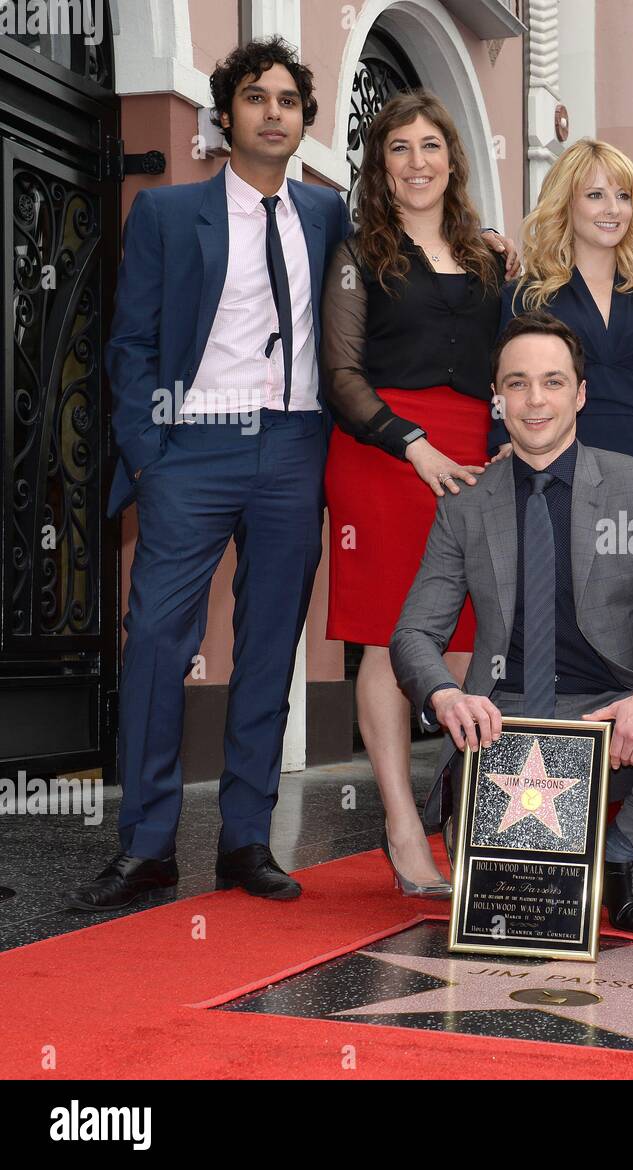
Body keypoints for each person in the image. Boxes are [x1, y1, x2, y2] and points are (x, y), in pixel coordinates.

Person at [66, 39, 354, 911]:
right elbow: (132, 344)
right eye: (255, 98)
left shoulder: (327, 218)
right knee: (157, 639)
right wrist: (152, 459)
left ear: (305, 121)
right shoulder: (166, 213)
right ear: (225, 116)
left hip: (296, 444)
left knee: (269, 647)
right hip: (191, 447)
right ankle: (148, 848)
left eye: (288, 101)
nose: (273, 112)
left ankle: (244, 843)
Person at [390, 312, 633, 936]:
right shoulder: (466, 502)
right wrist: (445, 694)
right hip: (502, 722)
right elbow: (414, 634)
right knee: (518, 920)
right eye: (517, 384)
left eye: (552, 382)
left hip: (611, 714)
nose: (535, 401)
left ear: (579, 393)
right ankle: (552, 858)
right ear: (496, 399)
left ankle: (622, 859)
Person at [322, 90, 507, 896]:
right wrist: (410, 444)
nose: (417, 162)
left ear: (452, 159)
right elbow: (341, 373)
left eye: (430, 145)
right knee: (386, 636)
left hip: (473, 453)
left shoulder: (491, 257)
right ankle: (401, 827)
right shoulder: (361, 253)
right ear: (380, 168)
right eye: (399, 149)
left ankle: (467, 819)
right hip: (382, 454)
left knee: (468, 639)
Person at [496, 139, 633, 626]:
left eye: (623, 195)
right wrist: (503, 446)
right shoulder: (525, 297)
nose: (612, 209)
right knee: (564, 627)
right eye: (595, 195)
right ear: (564, 203)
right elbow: (502, 386)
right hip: (559, 469)